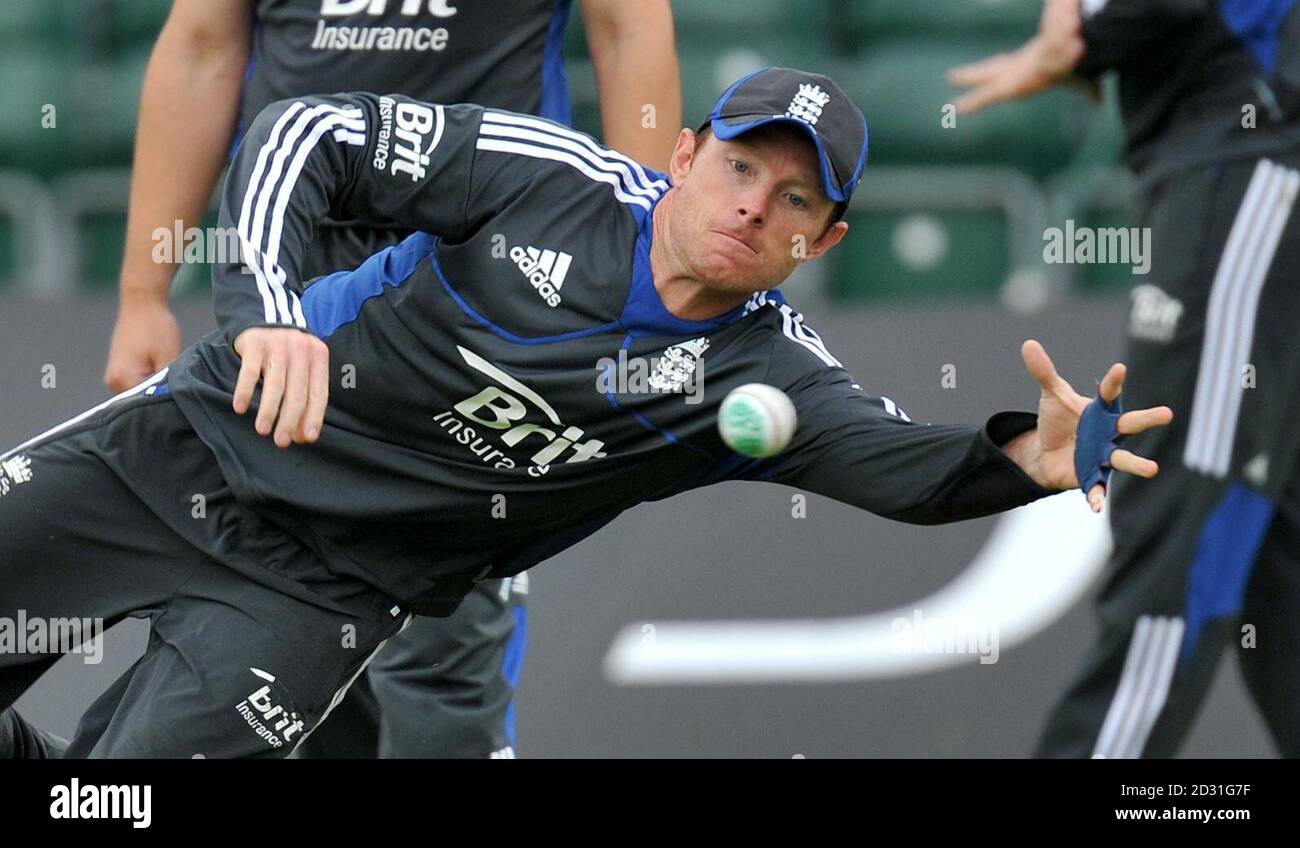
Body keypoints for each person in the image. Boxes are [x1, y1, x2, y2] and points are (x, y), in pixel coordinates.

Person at [0, 67, 1170, 757]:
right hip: (182, 447)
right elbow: (306, 136)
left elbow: (904, 466)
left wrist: (1028, 452)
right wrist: (270, 311)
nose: (755, 206)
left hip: (326, 593)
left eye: (796, 197)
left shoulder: (763, 379)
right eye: (740, 168)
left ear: (827, 240)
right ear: (683, 155)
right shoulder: (546, 178)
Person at [99, 0, 682, 759]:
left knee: (443, 656)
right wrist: (143, 294)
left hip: (478, 276)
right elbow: (202, 47)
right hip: (288, 275)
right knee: (278, 619)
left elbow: (630, 27)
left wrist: (634, 288)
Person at [950, 0, 1300, 757]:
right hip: (1250, 157)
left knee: (1179, 505)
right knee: (1275, 548)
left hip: (1251, 161)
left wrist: (1079, 34)